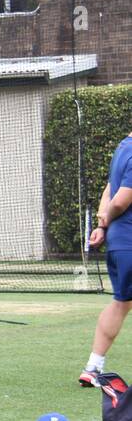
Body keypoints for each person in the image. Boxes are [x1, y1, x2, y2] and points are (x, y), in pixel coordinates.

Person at [80, 130, 132, 386]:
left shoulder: (124, 146)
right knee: (121, 304)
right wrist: (108, 219)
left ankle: (93, 367)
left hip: (118, 242)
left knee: (120, 304)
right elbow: (121, 200)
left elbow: (110, 189)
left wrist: (102, 225)